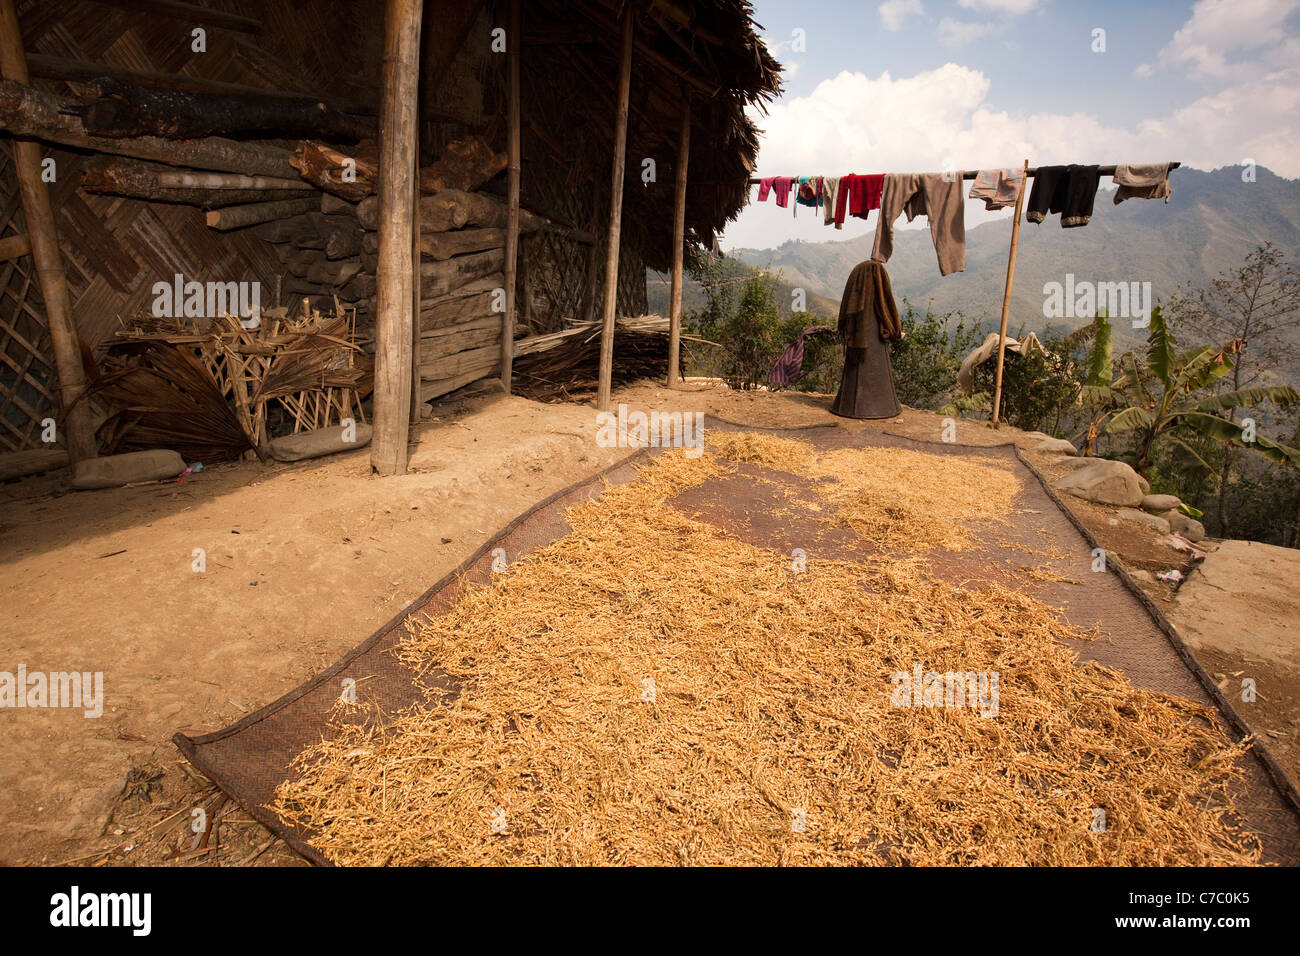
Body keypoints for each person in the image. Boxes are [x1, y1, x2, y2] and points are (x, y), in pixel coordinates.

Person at [830, 258, 903, 419]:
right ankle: (881, 406)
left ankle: (854, 407)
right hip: (871, 337)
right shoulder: (879, 311)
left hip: (864, 337)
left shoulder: (861, 321)